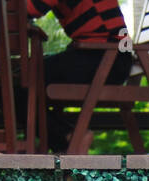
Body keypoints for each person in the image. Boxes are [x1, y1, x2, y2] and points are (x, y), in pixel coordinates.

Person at [28, 0, 134, 151]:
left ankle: (68, 139)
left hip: (106, 58)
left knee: (17, 83)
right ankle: (67, 140)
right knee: (21, 79)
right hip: (105, 57)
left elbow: (25, 11)